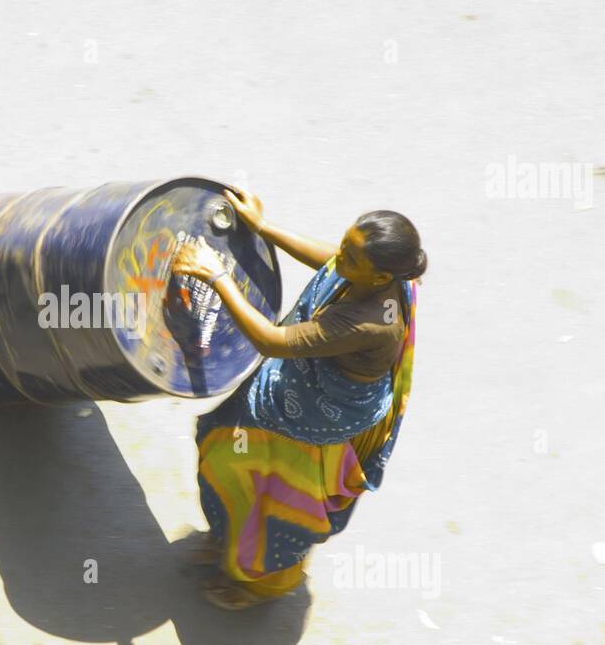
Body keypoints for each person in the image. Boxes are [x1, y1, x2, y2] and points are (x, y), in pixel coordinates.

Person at [170, 187, 424, 610]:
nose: (339, 257)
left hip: (310, 419)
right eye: (346, 244)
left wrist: (216, 276)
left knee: (275, 503)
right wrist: (263, 226)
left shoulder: (367, 323)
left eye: (351, 257)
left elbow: (271, 341)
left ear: (380, 278)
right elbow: (330, 262)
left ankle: (263, 584)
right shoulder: (378, 278)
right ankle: (229, 536)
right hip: (293, 389)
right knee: (225, 451)